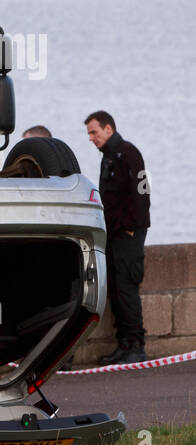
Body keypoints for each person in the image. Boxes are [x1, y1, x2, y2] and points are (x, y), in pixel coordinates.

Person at [85, 112, 150, 364]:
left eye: (94, 132)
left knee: (126, 289)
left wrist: (132, 229)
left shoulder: (128, 153)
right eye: (89, 134)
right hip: (113, 233)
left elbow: (142, 194)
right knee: (115, 290)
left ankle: (135, 345)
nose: (91, 138)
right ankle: (124, 344)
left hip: (127, 234)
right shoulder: (109, 157)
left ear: (108, 129)